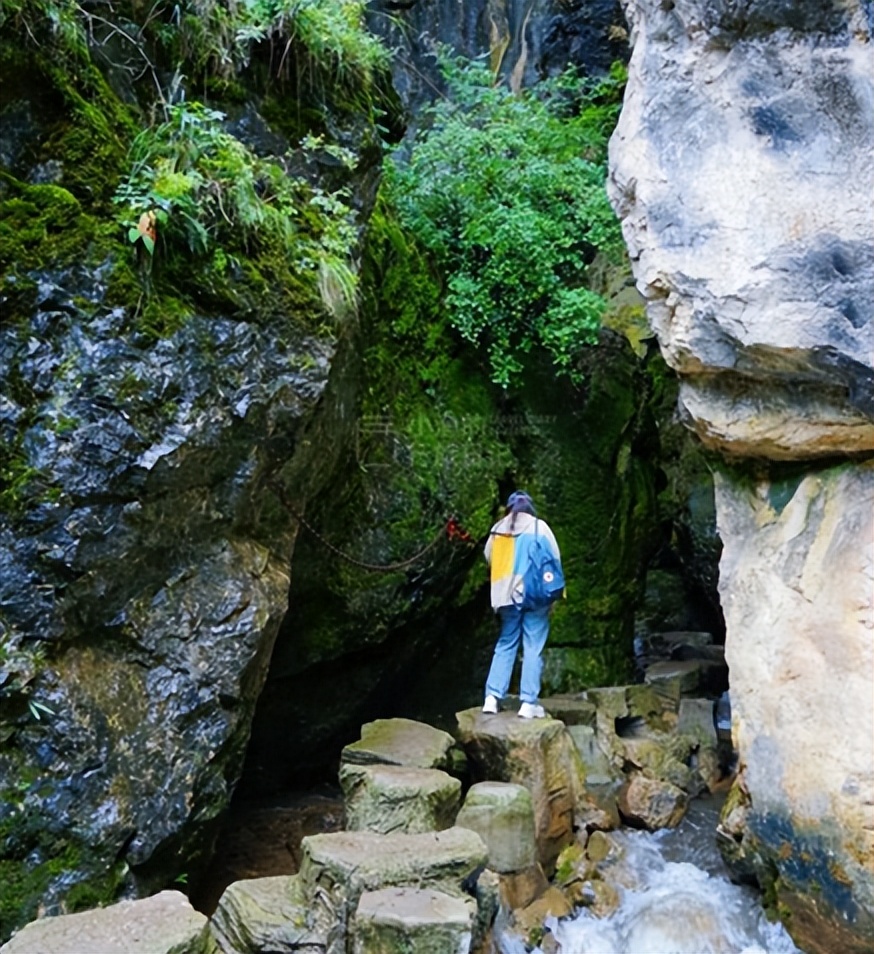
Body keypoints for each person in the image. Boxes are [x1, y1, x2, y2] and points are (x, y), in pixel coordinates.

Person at [482, 490, 562, 719]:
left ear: (510, 508)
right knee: (533, 646)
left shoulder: (498, 529)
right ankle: (528, 703)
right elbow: (554, 561)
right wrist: (554, 596)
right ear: (530, 509)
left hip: (505, 595)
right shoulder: (540, 527)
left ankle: (492, 698)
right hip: (534, 594)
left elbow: (488, 557)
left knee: (506, 643)